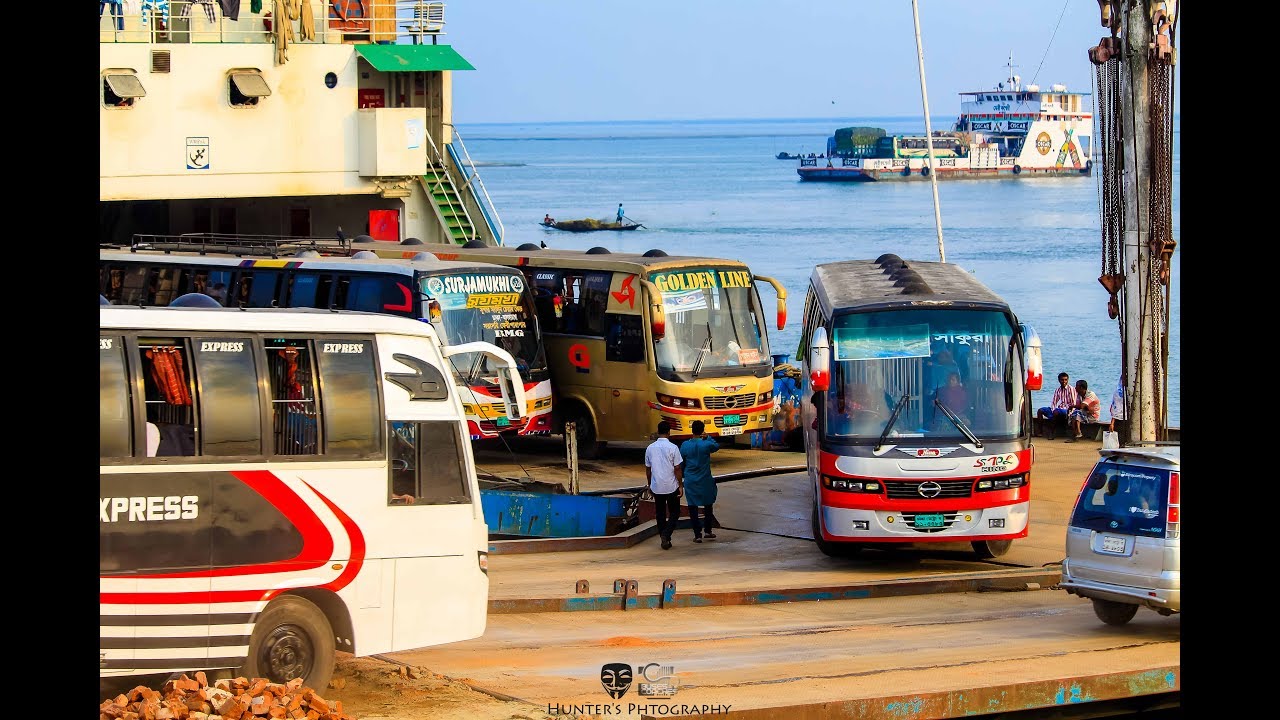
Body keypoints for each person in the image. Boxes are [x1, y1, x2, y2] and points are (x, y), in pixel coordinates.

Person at [645, 420, 684, 550]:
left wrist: (649, 484)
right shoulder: (673, 448)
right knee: (675, 512)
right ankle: (666, 535)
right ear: (669, 432)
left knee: (660, 513)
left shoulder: (650, 448)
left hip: (656, 486)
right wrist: (680, 485)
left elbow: (648, 469)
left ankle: (664, 536)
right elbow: (677, 468)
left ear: (658, 432)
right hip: (671, 485)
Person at [680, 420, 720, 543]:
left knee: (693, 507)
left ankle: (697, 535)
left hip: (690, 479)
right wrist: (708, 437)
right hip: (705, 479)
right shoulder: (706, 444)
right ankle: (708, 530)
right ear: (702, 430)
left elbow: (681, 462)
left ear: (692, 430)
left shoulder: (685, 445)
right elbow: (716, 446)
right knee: (708, 504)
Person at [1036, 372, 1077, 440]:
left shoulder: (1071, 389)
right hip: (1059, 409)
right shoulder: (1058, 390)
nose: (1064, 381)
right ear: (1059, 380)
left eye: (1065, 380)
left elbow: (1073, 403)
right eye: (1062, 380)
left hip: (1067, 410)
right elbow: (1054, 402)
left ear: (1067, 380)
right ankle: (1040, 431)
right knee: (1040, 410)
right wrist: (1053, 410)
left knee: (1056, 412)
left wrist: (1069, 414)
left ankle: (1052, 433)